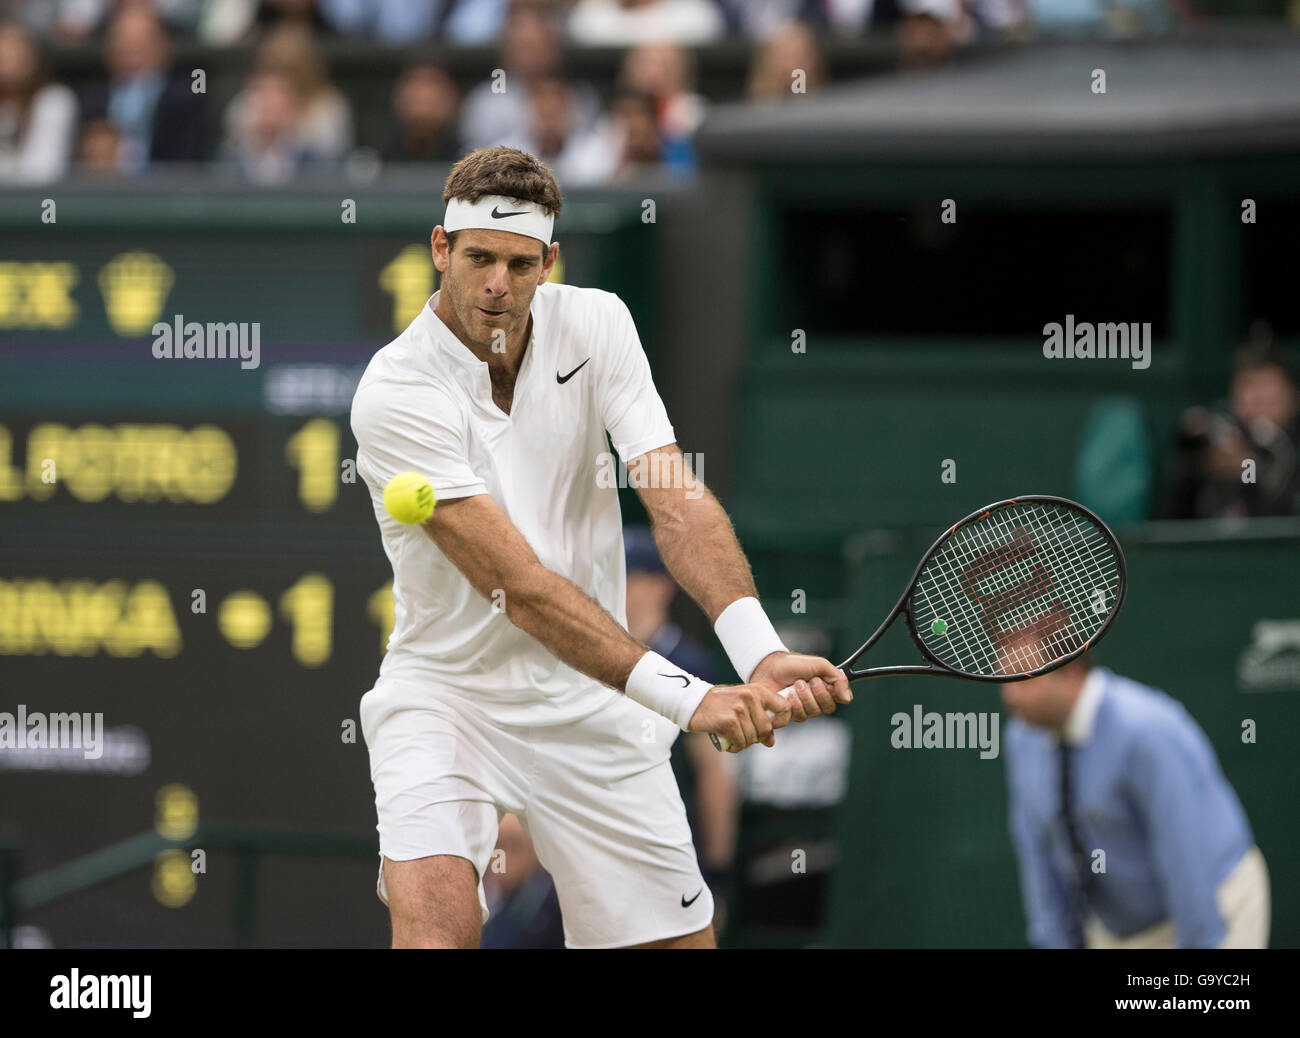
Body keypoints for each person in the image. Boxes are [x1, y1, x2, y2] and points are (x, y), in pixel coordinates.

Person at [351, 145, 851, 949]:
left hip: (591, 700)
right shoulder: (395, 393)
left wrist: (756, 649)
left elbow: (676, 502)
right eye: (478, 257)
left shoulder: (600, 324)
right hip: (446, 696)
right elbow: (520, 586)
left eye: (520, 264)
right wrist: (694, 700)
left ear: (549, 262)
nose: (496, 285)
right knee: (433, 934)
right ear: (440, 249)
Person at [1001, 645, 1270, 949]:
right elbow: (1036, 850)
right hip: (1119, 929)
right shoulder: (1022, 739)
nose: (1011, 696)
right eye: (1004, 681)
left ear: (1072, 672)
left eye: (1024, 681)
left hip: (1215, 906)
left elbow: (1185, 855)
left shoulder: (1145, 732)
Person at [623, 526, 739, 928]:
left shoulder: (690, 665)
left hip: (670, 858)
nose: (613, 587)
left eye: (627, 575)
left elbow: (715, 776)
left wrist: (715, 874)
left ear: (660, 587)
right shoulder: (590, 662)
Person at [1166, 346, 1300, 519]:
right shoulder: (1221, 435)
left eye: (1268, 387)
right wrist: (1199, 464)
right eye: (1249, 385)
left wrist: (1247, 469)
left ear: (1293, 398)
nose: (1257, 399)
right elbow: (1177, 518)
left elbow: (1278, 518)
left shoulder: (1290, 451)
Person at [80, 5, 208, 171]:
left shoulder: (187, 100)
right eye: (121, 40)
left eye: (141, 41)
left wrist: (126, 157)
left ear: (165, 47)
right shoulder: (91, 97)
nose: (130, 49)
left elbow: (187, 166)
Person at [0, 21, 78, 184]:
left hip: (39, 204)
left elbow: (43, 171)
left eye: (15, 50)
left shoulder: (54, 101)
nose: (8, 58)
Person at [383, 61, 461, 163]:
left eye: (432, 103)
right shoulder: (377, 161)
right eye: (415, 101)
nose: (422, 113)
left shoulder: (464, 159)